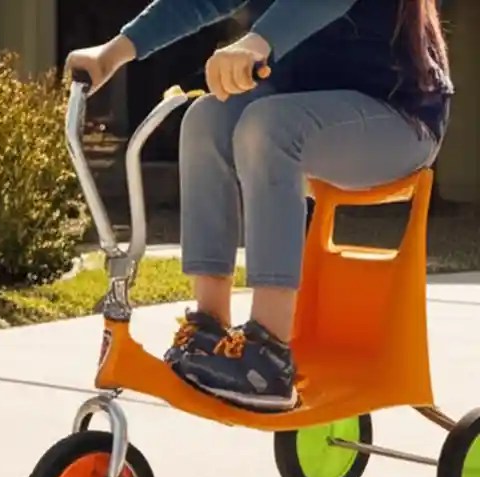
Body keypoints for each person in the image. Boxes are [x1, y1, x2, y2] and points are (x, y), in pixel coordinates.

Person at [66, 0, 453, 412]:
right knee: (205, 119)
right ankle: (209, 330)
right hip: (306, 108)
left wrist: (258, 40)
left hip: (397, 116)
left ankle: (268, 356)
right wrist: (112, 53)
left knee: (267, 128)